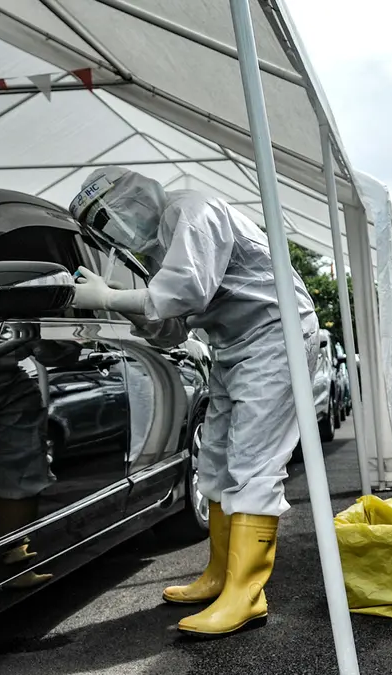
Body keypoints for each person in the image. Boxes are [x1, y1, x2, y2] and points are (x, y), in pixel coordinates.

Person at [66, 167, 320, 638]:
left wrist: (115, 293)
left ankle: (246, 594)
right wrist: (116, 302)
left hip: (275, 338)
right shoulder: (159, 244)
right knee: (217, 460)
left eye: (108, 215)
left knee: (253, 461)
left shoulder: (192, 211)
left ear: (134, 199)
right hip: (236, 346)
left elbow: (185, 291)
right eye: (98, 225)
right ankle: (221, 577)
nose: (111, 229)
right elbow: (173, 326)